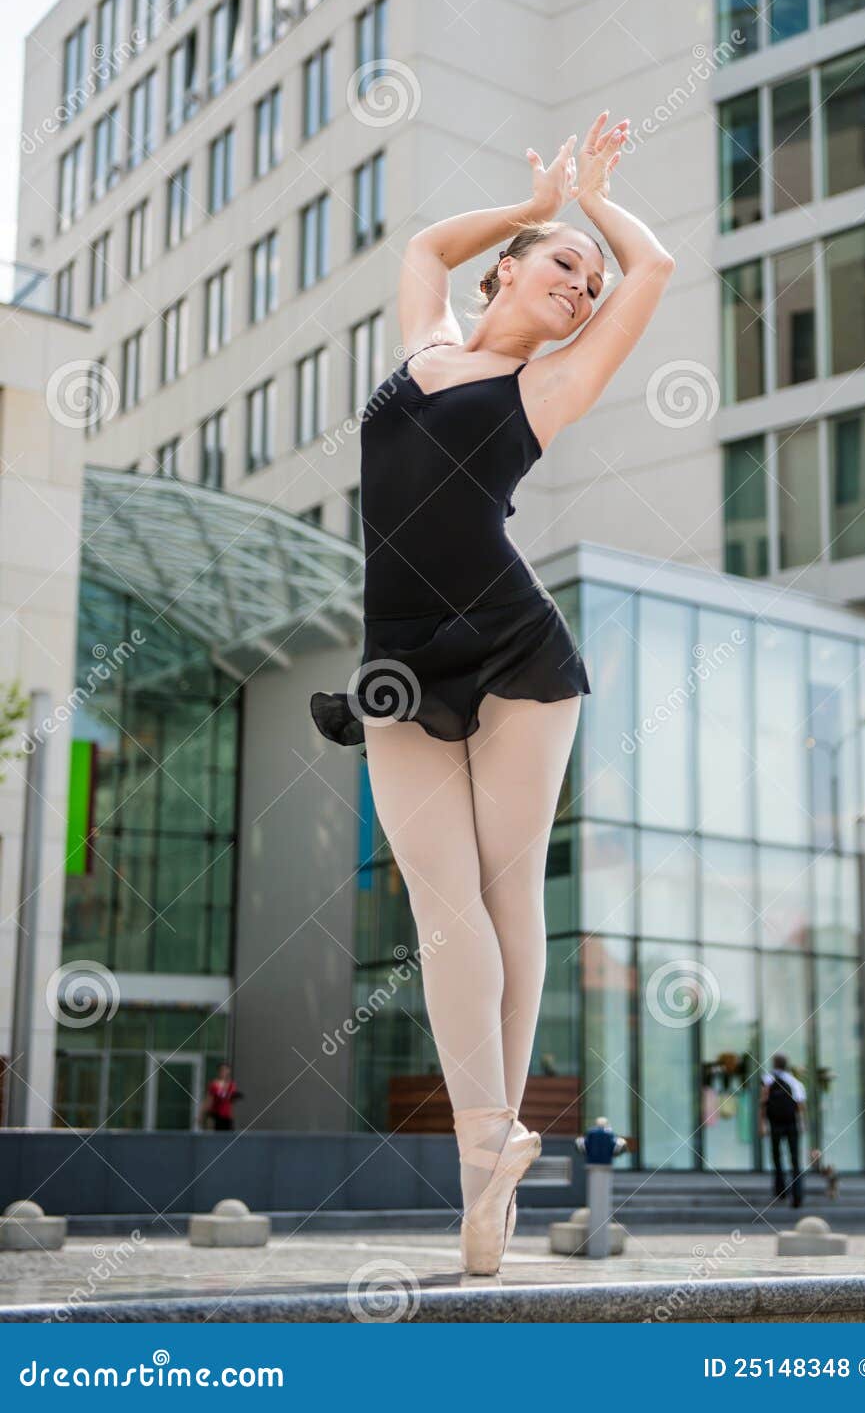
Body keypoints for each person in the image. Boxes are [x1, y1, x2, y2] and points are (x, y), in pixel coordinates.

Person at [310, 113, 675, 1274]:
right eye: (565, 262)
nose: (581, 285)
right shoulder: (426, 343)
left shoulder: (549, 384)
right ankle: (491, 1151)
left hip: (518, 651)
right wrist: (532, 206)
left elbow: (655, 267)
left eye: (587, 282)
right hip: (400, 655)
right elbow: (422, 246)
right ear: (508, 268)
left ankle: (487, 1190)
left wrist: (601, 202)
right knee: (436, 898)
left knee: (508, 894)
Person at [760, 1054, 806, 1208]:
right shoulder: (795, 1082)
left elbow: (763, 1103)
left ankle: (780, 1189)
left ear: (774, 1064)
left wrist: (762, 1124)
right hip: (792, 1123)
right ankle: (797, 1195)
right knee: (795, 1159)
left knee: (776, 1155)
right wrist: (802, 1124)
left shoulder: (767, 1079)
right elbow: (800, 1106)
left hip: (775, 1124)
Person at [201, 1062, 242, 1132]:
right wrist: (202, 1114)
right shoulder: (214, 1085)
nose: (224, 1072)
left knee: (227, 1136)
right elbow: (208, 1100)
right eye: (222, 1070)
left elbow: (231, 1103)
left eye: (226, 1070)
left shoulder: (231, 1085)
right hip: (215, 1115)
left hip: (226, 1116)